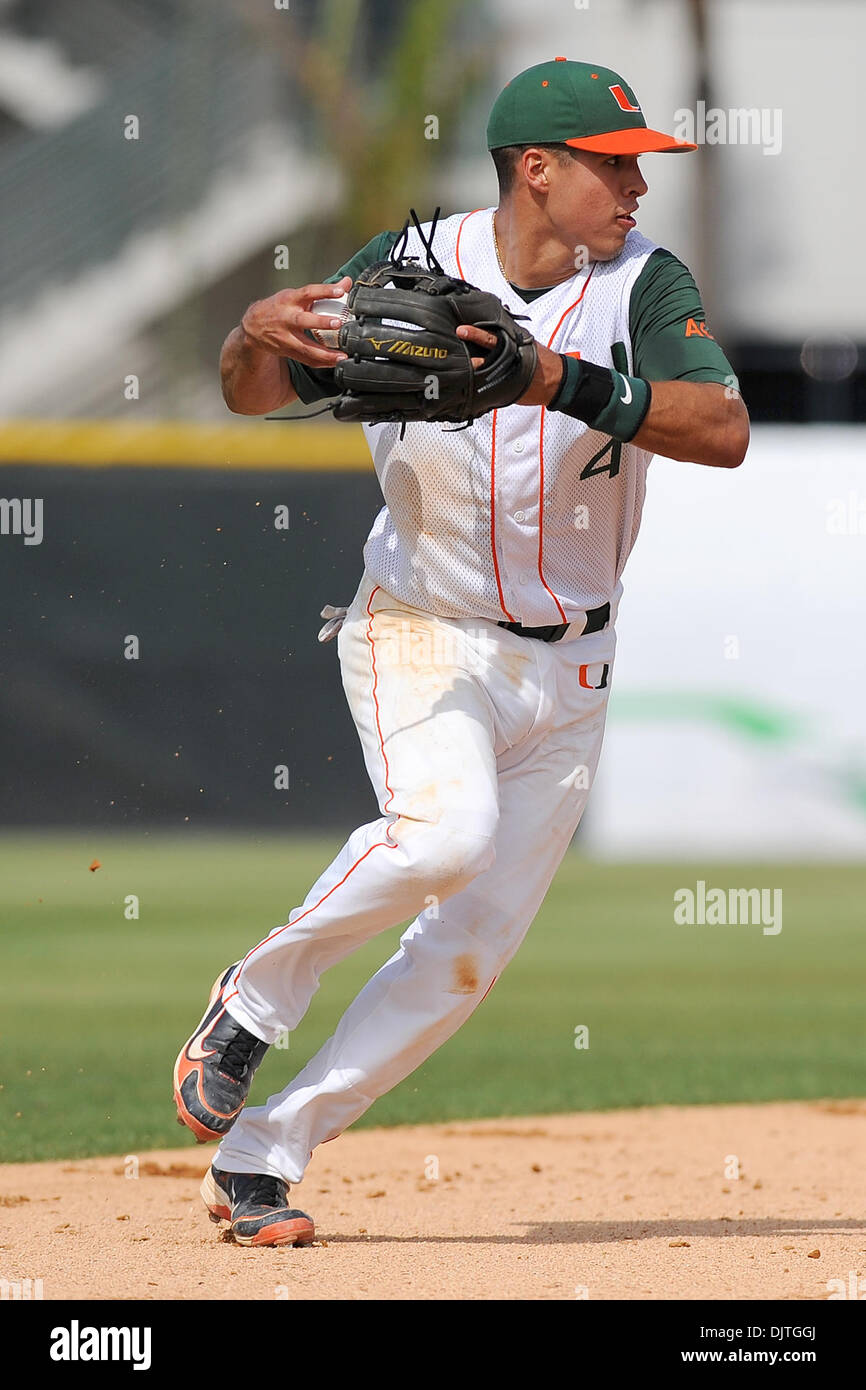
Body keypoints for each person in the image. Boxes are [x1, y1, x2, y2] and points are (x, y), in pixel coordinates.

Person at [175, 58, 749, 1248]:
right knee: (444, 836)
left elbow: (722, 428)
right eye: (613, 163)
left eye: (637, 164)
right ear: (536, 170)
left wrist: (555, 377)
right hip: (421, 628)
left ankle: (263, 1153)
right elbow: (253, 387)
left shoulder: (642, 285)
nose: (635, 187)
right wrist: (250, 333)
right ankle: (252, 1000)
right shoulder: (409, 265)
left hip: (573, 668)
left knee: (464, 956)